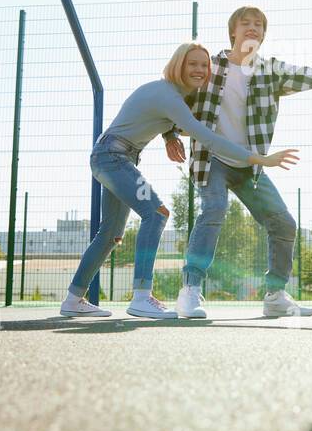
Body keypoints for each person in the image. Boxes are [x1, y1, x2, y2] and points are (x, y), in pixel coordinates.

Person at [163, 6, 312, 318]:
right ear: (233, 31)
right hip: (211, 159)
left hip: (251, 165)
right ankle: (189, 290)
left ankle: (275, 294)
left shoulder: (270, 71)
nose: (253, 27)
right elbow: (174, 95)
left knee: (284, 223)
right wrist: (168, 134)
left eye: (259, 24)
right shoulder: (210, 65)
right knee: (214, 208)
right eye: (246, 23)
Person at [60, 42, 299, 319]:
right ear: (178, 65)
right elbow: (205, 136)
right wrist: (259, 159)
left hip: (114, 156)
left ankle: (73, 298)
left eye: (204, 65)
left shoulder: (175, 95)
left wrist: (169, 136)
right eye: (192, 64)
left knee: (111, 233)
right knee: (157, 213)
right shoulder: (169, 96)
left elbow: (161, 119)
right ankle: (141, 296)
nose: (199, 70)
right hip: (113, 158)